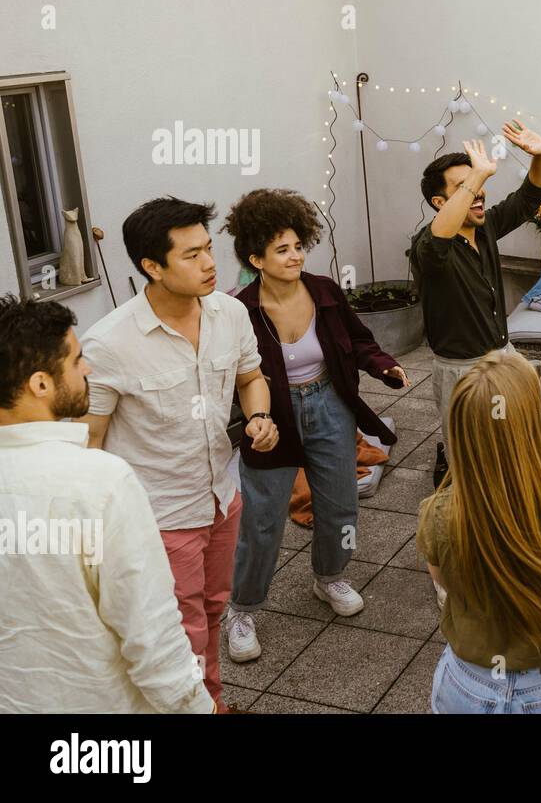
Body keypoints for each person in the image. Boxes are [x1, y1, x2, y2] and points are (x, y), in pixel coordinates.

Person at [81, 197, 278, 713]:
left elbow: (251, 377)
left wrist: (260, 418)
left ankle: (208, 701)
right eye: (191, 255)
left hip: (220, 498)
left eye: (209, 249)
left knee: (212, 612)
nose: (210, 263)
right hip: (159, 516)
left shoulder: (230, 312)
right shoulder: (106, 344)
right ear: (152, 266)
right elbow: (87, 443)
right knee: (178, 628)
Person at [219, 189, 410, 663]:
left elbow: (360, 341)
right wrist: (248, 422)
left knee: (341, 505)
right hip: (272, 419)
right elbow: (231, 378)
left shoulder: (324, 290)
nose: (296, 255)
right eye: (282, 249)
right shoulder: (240, 310)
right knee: (261, 521)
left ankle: (330, 577)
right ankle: (242, 610)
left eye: (299, 245)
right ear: (255, 257)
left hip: (328, 406)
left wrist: (383, 365)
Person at [0, 296, 213, 713]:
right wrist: (197, 707)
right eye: (77, 360)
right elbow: (152, 634)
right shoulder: (102, 482)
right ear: (40, 384)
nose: (88, 369)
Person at [417, 350, 541, 714]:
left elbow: (445, 583)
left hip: (468, 682)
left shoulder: (439, 512)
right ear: (532, 420)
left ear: (460, 428)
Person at [409, 123, 541, 480]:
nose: (479, 193)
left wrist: (540, 155)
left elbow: (531, 196)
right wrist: (479, 174)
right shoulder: (427, 247)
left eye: (479, 184)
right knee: (476, 474)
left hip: (505, 357)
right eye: (464, 187)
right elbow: (439, 236)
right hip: (462, 372)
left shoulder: (485, 228)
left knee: (532, 453)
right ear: (439, 203)